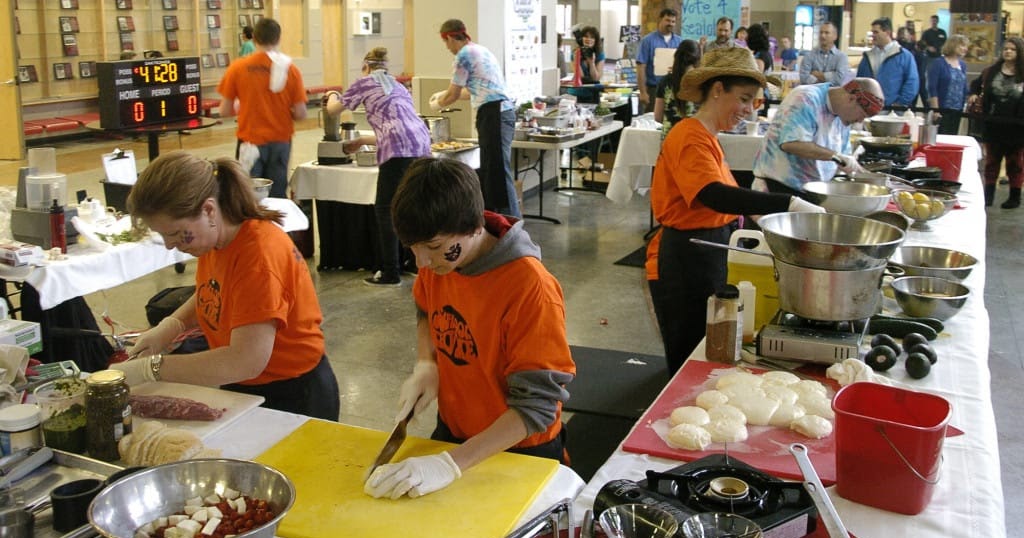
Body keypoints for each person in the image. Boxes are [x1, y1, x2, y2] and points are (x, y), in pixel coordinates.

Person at [363, 158, 575, 499]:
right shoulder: (441, 263)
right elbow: (425, 308)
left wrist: (449, 465)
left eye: (433, 247)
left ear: (475, 227)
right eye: (412, 248)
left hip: (519, 449)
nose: (421, 262)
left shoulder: (530, 288)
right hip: (455, 433)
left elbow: (536, 407)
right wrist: (427, 363)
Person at [113, 152, 340, 421]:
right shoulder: (216, 238)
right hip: (250, 385)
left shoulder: (258, 258)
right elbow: (214, 291)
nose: (170, 244)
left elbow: (244, 360)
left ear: (209, 210)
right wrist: (171, 325)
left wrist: (152, 368)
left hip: (293, 393)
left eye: (174, 233)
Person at [645, 47, 825, 374]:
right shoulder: (689, 136)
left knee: (709, 343)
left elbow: (729, 197)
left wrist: (772, 221)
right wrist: (789, 203)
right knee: (690, 350)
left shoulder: (707, 137)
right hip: (689, 257)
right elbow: (714, 195)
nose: (747, 110)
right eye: (743, 99)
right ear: (717, 90)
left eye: (753, 102)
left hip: (709, 249)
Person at [324, 47, 432, 286]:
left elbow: (332, 109)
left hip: (398, 151)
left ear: (366, 67)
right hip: (421, 144)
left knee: (385, 209)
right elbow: (399, 127)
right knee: (412, 205)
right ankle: (415, 263)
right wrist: (362, 140)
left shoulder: (364, 82)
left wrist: (332, 93)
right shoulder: (398, 85)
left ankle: (390, 271)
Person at [431, 19, 520, 218]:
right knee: (493, 170)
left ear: (450, 37)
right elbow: (476, 90)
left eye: (445, 42)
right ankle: (498, 219)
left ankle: (510, 223)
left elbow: (453, 94)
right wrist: (443, 94)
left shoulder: (463, 55)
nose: (447, 48)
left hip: (494, 114)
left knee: (497, 172)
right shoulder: (479, 50)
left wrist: (438, 103)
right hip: (501, 111)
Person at [217, 18, 307, 198]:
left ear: (254, 38)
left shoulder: (238, 67)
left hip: (250, 140)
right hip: (280, 140)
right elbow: (301, 113)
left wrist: (245, 106)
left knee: (249, 195)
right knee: (277, 195)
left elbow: (224, 111)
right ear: (278, 38)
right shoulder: (290, 70)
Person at [752, 78, 885, 194]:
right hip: (778, 188)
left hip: (811, 190)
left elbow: (844, 158)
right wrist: (836, 156)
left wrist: (856, 171)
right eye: (862, 115)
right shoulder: (806, 97)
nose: (860, 121)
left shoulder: (843, 117)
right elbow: (791, 144)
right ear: (852, 98)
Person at [966, 37, 1024, 208]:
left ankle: (1014, 197)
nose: (1008, 52)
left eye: (1012, 49)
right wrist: (973, 94)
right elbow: (976, 85)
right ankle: (988, 196)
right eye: (1006, 48)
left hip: (1017, 127)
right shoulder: (991, 71)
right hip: (993, 124)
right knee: (991, 162)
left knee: (1015, 163)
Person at [856, 17, 919, 108]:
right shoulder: (868, 56)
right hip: (869, 108)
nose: (873, 36)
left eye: (876, 32)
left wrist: (899, 104)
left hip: (893, 109)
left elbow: (912, 82)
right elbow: (859, 81)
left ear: (887, 33)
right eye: (872, 32)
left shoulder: (904, 56)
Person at [636, 9, 682, 113]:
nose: (670, 24)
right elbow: (641, 67)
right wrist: (643, 92)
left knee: (672, 118)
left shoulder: (680, 41)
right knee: (652, 118)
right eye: (667, 20)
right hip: (653, 89)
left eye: (673, 21)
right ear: (660, 20)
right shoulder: (647, 41)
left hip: (673, 89)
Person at [654, 40, 701, 135]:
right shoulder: (702, 82)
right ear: (698, 59)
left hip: (670, 137)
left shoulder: (665, 81)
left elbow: (658, 117)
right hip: (695, 137)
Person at [927, 34, 969, 135]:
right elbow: (932, 87)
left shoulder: (962, 65)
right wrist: (936, 110)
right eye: (962, 45)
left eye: (966, 46)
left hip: (957, 110)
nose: (965, 49)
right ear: (953, 45)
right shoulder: (938, 63)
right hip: (942, 109)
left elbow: (964, 87)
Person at [799, 22, 850, 86]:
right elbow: (804, 78)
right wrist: (830, 76)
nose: (823, 35)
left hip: (833, 92)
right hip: (813, 91)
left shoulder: (841, 57)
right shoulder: (809, 56)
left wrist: (815, 74)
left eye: (826, 33)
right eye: (821, 32)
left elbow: (838, 79)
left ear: (835, 36)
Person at [568, 25, 606, 103]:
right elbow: (580, 76)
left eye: (592, 37)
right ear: (581, 38)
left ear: (596, 40)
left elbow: (596, 78)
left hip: (593, 93)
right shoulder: (575, 53)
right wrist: (576, 61)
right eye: (586, 36)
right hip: (577, 92)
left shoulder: (599, 54)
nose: (589, 39)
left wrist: (591, 63)